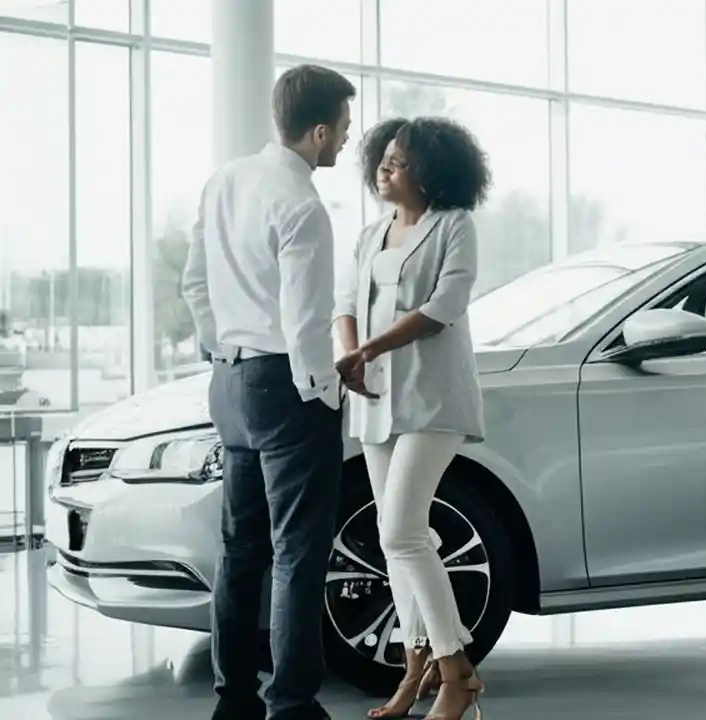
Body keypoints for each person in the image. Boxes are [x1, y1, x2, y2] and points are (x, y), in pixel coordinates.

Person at [182, 64, 355, 720]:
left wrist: (218, 345)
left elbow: (194, 283)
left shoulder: (224, 180)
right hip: (284, 387)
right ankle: (292, 705)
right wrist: (324, 390)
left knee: (240, 549)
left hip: (228, 382)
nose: (344, 140)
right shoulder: (302, 205)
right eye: (341, 128)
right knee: (299, 555)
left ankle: (234, 701)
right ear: (316, 132)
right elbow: (305, 319)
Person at [333, 116, 490, 720]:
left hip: (433, 400)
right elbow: (343, 303)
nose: (385, 168)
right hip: (376, 401)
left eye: (400, 161)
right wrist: (350, 354)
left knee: (400, 532)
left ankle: (457, 673)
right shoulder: (370, 234)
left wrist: (369, 350)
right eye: (384, 158)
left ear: (432, 172)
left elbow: (444, 307)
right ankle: (415, 667)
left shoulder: (455, 227)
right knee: (399, 539)